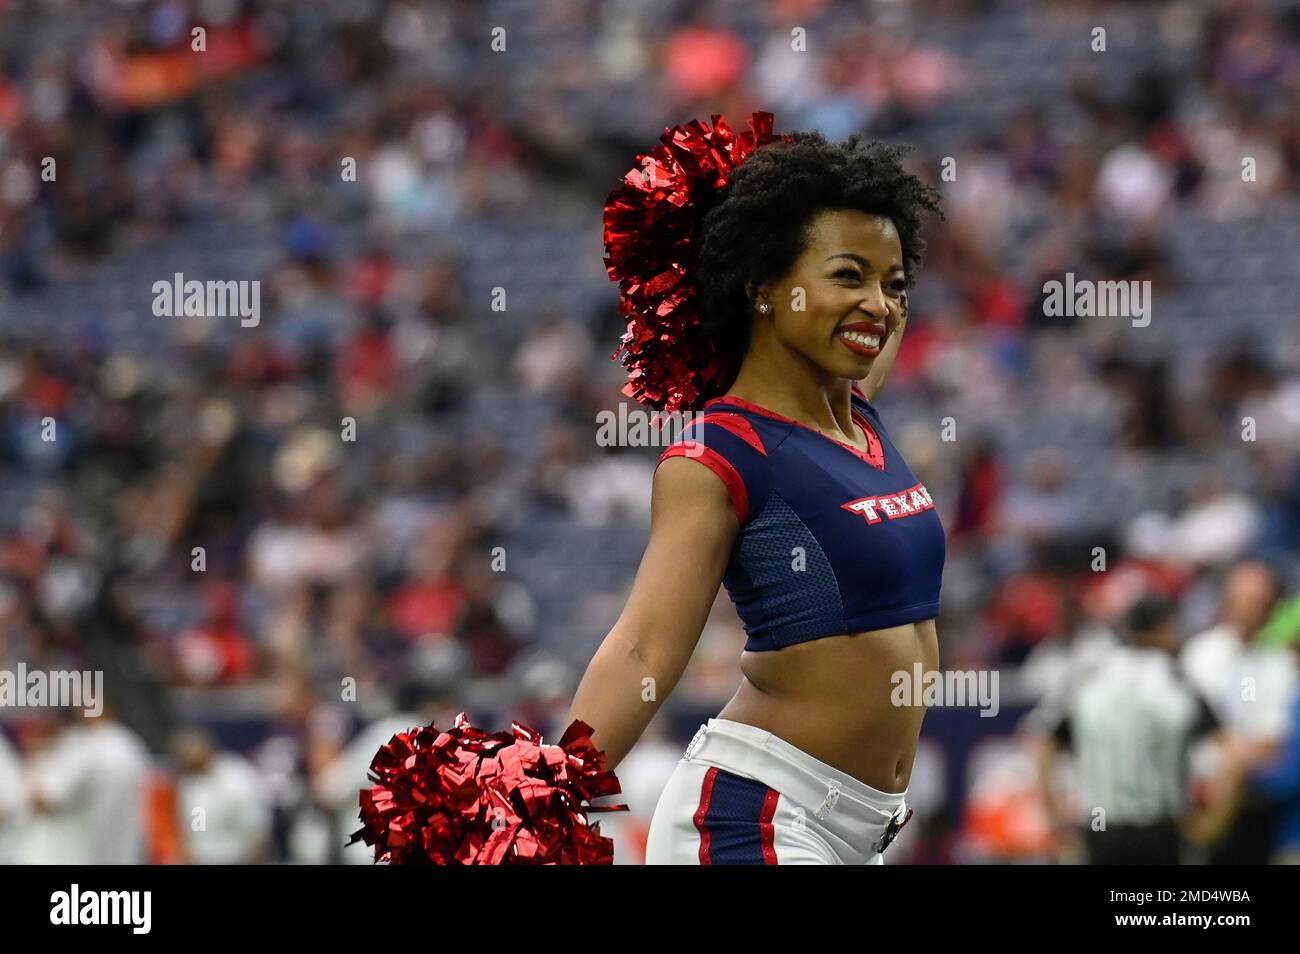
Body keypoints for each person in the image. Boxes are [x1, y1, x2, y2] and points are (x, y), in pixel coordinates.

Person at [569, 114, 945, 864]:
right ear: (765, 289)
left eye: (893, 283)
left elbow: (875, 324)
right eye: (848, 276)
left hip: (859, 834)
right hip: (756, 817)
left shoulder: (855, 411)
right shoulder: (718, 452)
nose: (879, 302)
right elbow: (643, 648)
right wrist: (549, 796)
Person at [1030, 594, 1226, 864]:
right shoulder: (1174, 678)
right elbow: (1231, 752)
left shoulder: (1090, 676)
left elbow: (1040, 743)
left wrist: (1056, 819)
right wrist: (1213, 823)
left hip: (1099, 832)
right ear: (1165, 629)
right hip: (1163, 832)